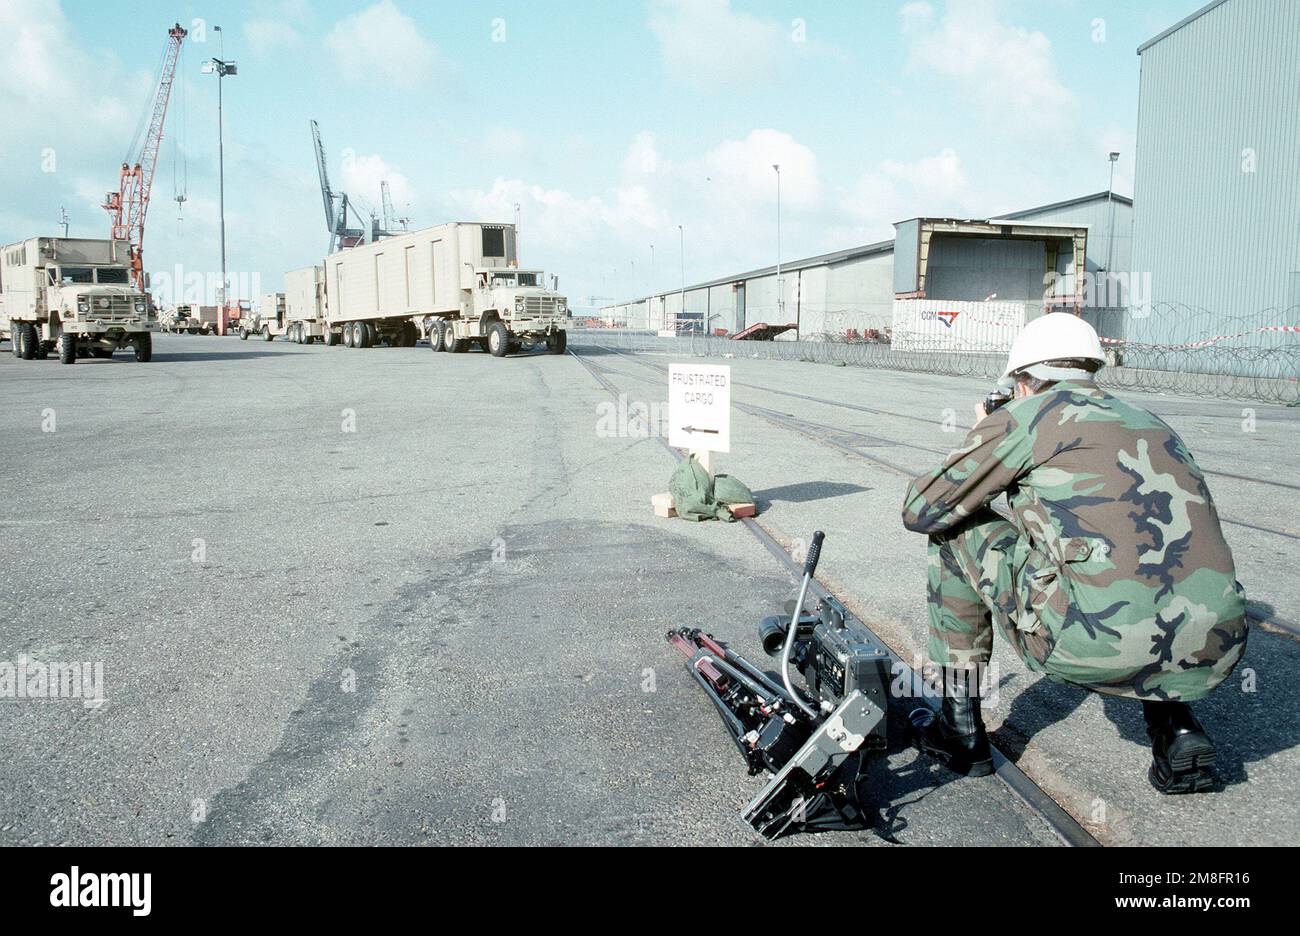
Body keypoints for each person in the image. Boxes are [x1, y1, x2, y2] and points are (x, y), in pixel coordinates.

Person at [901, 313, 1248, 793]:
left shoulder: (1024, 417)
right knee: (1147, 558)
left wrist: (983, 435)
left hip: (1091, 644)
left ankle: (960, 731)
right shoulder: (1151, 422)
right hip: (1214, 643)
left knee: (954, 532)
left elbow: (923, 510)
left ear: (1024, 383)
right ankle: (1177, 729)